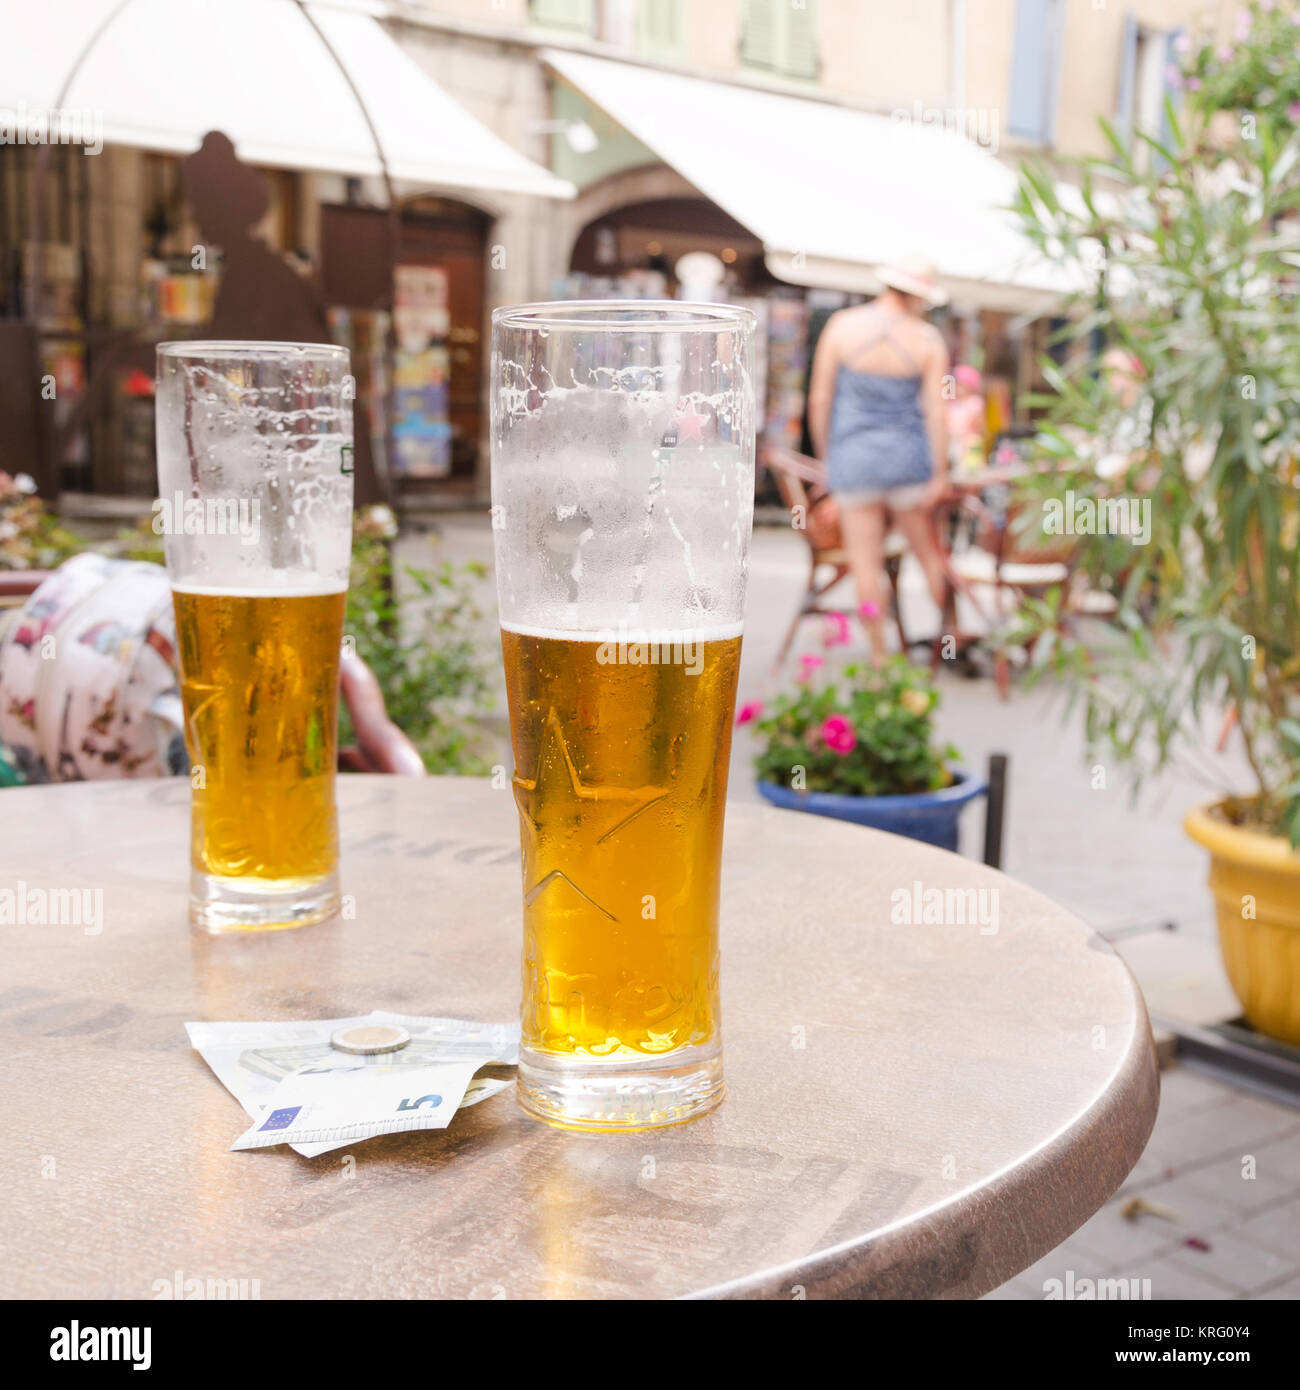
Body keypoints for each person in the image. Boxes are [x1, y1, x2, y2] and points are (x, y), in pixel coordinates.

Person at [807, 255, 951, 663]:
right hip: (908, 462)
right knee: (928, 555)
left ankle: (878, 655)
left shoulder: (843, 326)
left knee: (865, 562)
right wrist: (940, 473)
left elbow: (820, 399)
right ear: (919, 296)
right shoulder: (927, 340)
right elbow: (936, 412)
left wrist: (826, 460)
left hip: (855, 461)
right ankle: (952, 639)